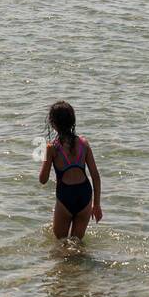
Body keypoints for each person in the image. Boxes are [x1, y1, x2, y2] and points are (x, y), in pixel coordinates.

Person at [38, 101, 102, 240]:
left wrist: (45, 156)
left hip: (65, 195)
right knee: (77, 243)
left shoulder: (51, 148)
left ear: (53, 124)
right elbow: (96, 176)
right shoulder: (84, 143)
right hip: (85, 194)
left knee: (61, 244)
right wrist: (96, 205)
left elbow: (43, 180)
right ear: (73, 121)